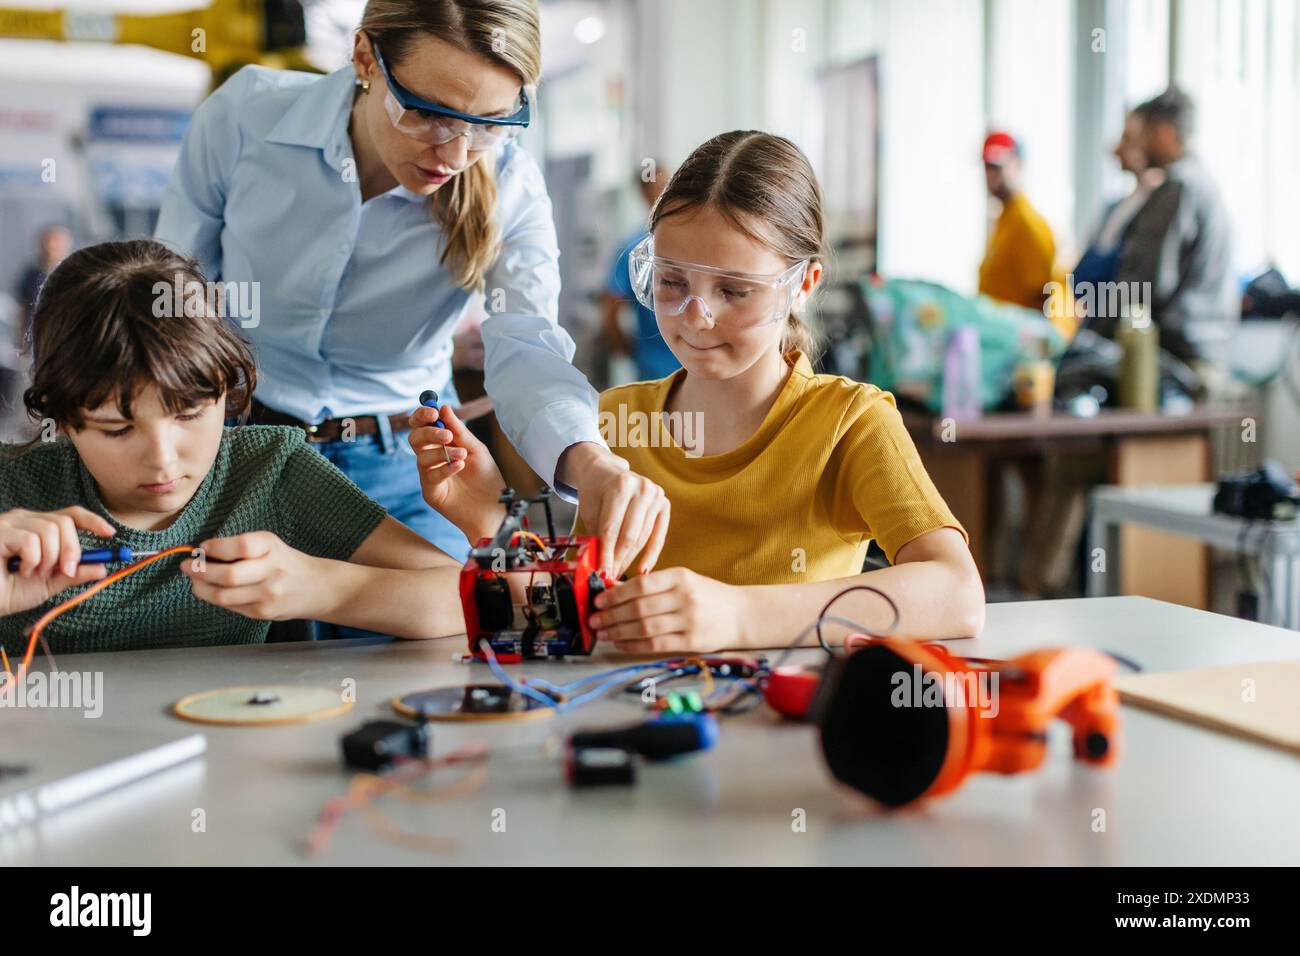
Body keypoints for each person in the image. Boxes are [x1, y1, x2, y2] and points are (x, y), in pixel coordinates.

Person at [154, 0, 668, 623]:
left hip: (411, 471)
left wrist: (590, 461)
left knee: (449, 651)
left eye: (489, 123)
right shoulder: (246, 116)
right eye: (426, 113)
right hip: (241, 453)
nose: (454, 154)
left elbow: (525, 346)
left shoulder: (511, 185)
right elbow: (172, 301)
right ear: (366, 57)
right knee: (210, 653)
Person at [409, 131, 985, 653]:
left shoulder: (849, 424)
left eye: (734, 291)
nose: (696, 318)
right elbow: (577, 616)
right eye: (671, 283)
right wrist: (492, 525)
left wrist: (736, 616)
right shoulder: (613, 421)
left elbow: (956, 594)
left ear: (802, 285)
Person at [0, 240, 466, 655]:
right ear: (61, 417)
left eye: (188, 415)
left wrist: (323, 588)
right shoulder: (11, 491)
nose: (162, 458)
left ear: (227, 387)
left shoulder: (269, 470)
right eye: (117, 430)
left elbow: (463, 597)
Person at [1111, 87, 1236, 369]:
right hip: (1210, 350)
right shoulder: (1205, 183)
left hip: (1180, 357)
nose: (1137, 145)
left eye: (1142, 133)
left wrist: (1099, 332)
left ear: (1164, 133)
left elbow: (1151, 281)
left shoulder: (1178, 186)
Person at [599, 164, 680, 381]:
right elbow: (609, 307)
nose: (666, 193)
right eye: (659, 187)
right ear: (644, 195)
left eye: (670, 185)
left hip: (693, 363)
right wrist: (625, 348)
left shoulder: (693, 241)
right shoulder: (632, 248)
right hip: (654, 366)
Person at [977, 131, 1057, 315]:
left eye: (997, 166)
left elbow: (1042, 299)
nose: (990, 174)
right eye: (986, 166)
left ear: (1018, 165)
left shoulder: (1027, 224)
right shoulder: (1004, 220)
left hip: (1019, 338)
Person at [12, 225, 71, 346]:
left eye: (55, 245)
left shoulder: (77, 274)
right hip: (36, 340)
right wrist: (21, 339)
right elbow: (22, 309)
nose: (50, 249)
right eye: (46, 244)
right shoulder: (30, 275)